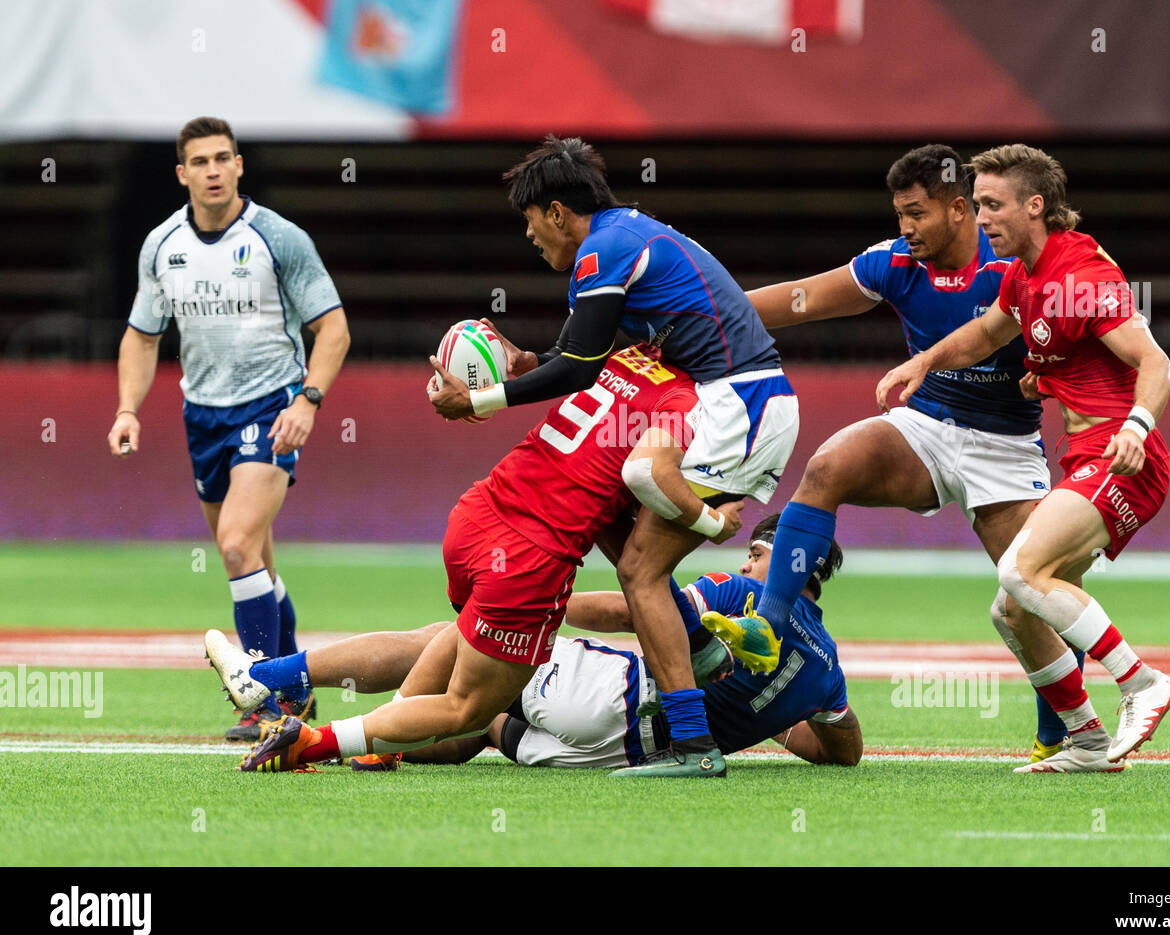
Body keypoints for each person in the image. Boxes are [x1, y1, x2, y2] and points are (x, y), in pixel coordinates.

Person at [428, 135, 799, 777]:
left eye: (530, 221)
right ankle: (700, 643)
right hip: (737, 402)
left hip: (738, 404)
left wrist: (482, 400)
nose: (529, 236)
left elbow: (578, 367)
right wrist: (530, 365)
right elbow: (586, 358)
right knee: (605, 508)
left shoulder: (602, 251)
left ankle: (692, 746)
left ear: (556, 213)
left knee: (639, 569)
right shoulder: (625, 237)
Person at [211, 345, 745, 773]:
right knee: (466, 710)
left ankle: (271, 676)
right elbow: (648, 477)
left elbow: (566, 374)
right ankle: (313, 741)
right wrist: (714, 521)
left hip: (477, 516)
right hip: (529, 557)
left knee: (442, 641)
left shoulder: (624, 357)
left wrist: (502, 364)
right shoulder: (686, 400)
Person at [719, 144, 1083, 763]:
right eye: (899, 215)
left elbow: (1083, 341)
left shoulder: (1019, 265)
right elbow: (805, 298)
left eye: (916, 214)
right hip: (926, 427)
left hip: (1007, 447)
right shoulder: (893, 263)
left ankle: (1061, 733)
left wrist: (1048, 376)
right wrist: (714, 311)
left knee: (1034, 594)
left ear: (960, 209)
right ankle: (771, 626)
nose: (905, 228)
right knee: (828, 466)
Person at [875, 143, 1170, 771]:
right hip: (1089, 460)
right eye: (977, 203)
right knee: (1012, 607)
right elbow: (988, 333)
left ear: (1035, 205)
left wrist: (1137, 427)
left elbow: (1157, 361)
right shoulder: (1024, 275)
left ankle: (1142, 683)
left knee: (1019, 572)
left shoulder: (1080, 275)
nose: (980, 217)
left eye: (992, 204)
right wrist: (924, 361)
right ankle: (1089, 741)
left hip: (1124, 460)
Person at [206, 517, 860, 771]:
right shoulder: (826, 669)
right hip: (610, 755)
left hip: (610, 697)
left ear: (778, 562)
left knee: (453, 638)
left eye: (757, 553)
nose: (748, 563)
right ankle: (390, 746)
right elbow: (839, 749)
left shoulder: (740, 597)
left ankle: (277, 681)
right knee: (489, 721)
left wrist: (525, 607)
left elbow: (632, 608)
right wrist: (760, 712)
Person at [108, 116, 350, 740]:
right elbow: (141, 336)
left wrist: (308, 401)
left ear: (239, 165)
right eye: (201, 161)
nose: (214, 171)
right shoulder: (163, 246)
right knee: (256, 564)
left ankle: (267, 700)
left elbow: (333, 327)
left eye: (224, 158)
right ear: (183, 173)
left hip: (270, 408)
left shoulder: (278, 238)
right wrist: (128, 408)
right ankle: (297, 691)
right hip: (203, 417)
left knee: (238, 544)